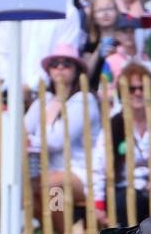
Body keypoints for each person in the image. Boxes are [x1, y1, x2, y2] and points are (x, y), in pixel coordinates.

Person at [92, 60, 151, 224]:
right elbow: (98, 168)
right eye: (131, 89)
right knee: (128, 202)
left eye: (142, 88)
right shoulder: (113, 125)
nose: (137, 93)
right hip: (124, 187)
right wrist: (98, 204)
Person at [25, 43, 100, 219]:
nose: (60, 68)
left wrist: (30, 139)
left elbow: (57, 141)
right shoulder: (44, 100)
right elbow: (22, 130)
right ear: (49, 70)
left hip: (82, 173)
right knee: (29, 187)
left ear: (76, 70)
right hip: (50, 172)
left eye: (66, 64)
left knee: (51, 185)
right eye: (55, 64)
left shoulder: (84, 100)